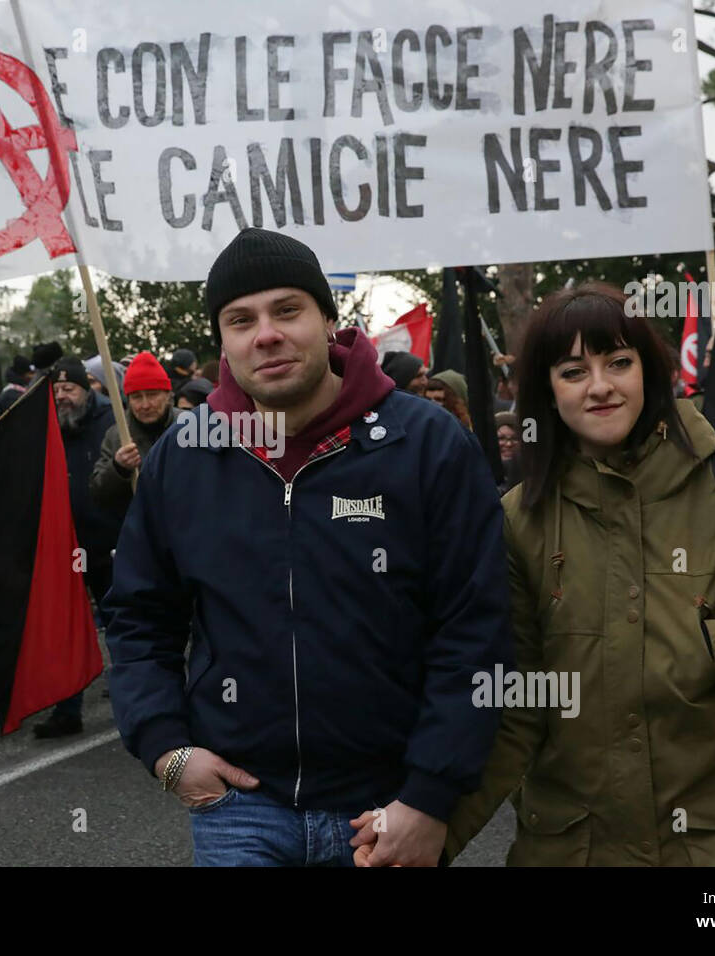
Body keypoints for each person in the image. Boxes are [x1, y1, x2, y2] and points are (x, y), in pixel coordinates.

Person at [106, 228, 512, 867]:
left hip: (388, 808)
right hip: (240, 808)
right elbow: (138, 616)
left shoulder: (427, 445)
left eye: (286, 310)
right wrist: (165, 748)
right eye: (241, 320)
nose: (265, 334)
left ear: (328, 319)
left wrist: (431, 795)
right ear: (224, 342)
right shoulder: (182, 458)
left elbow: (476, 627)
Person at [441, 283, 715, 866]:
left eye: (619, 362)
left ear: (649, 370)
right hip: (576, 848)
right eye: (573, 371)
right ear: (546, 391)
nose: (600, 386)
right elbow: (517, 706)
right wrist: (432, 834)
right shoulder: (519, 519)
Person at [33, 357, 123, 739]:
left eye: (69, 389)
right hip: (68, 548)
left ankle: (135, 702)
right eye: (57, 391)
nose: (62, 397)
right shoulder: (49, 427)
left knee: (121, 627)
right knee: (65, 631)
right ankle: (67, 710)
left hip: (111, 545)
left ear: (88, 390)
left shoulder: (112, 422)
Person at [90, 352, 177, 512]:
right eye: (137, 397)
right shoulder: (117, 436)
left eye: (152, 395)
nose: (145, 405)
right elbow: (98, 492)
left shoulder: (189, 426)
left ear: (167, 395)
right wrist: (118, 468)